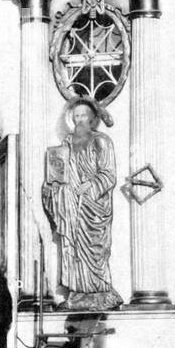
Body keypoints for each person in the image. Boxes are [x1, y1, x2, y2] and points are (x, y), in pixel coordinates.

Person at [42, 96, 123, 312]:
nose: (79, 120)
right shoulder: (67, 144)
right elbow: (60, 173)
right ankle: (78, 292)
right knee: (73, 248)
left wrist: (89, 186)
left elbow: (109, 174)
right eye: (76, 116)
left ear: (92, 119)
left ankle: (100, 290)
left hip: (94, 208)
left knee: (96, 250)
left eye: (83, 116)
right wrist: (55, 188)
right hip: (72, 206)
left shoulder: (101, 141)